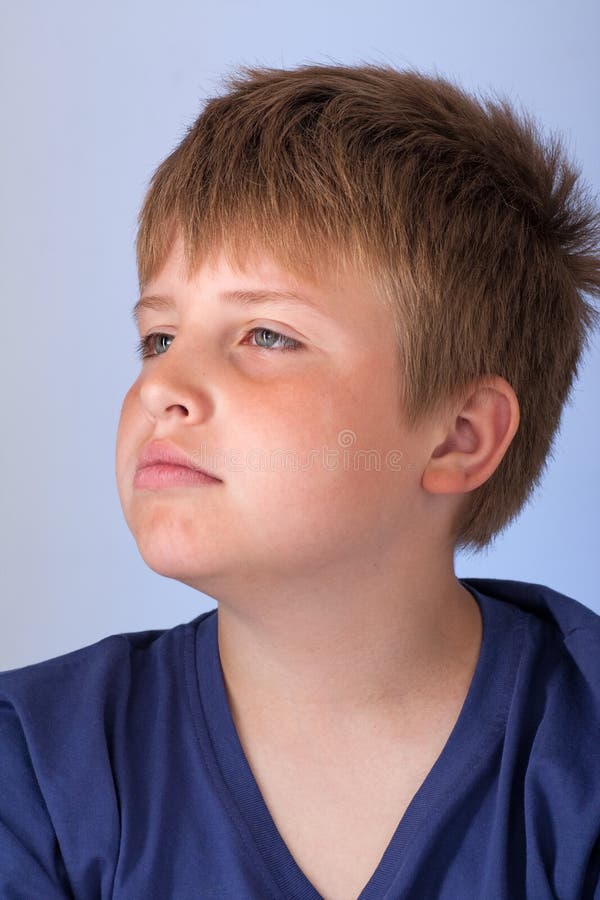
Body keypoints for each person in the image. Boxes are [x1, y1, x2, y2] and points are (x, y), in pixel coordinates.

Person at [1, 62, 599, 900]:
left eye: (266, 335)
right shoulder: (38, 768)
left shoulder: (579, 760)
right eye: (159, 338)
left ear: (460, 438)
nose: (159, 387)